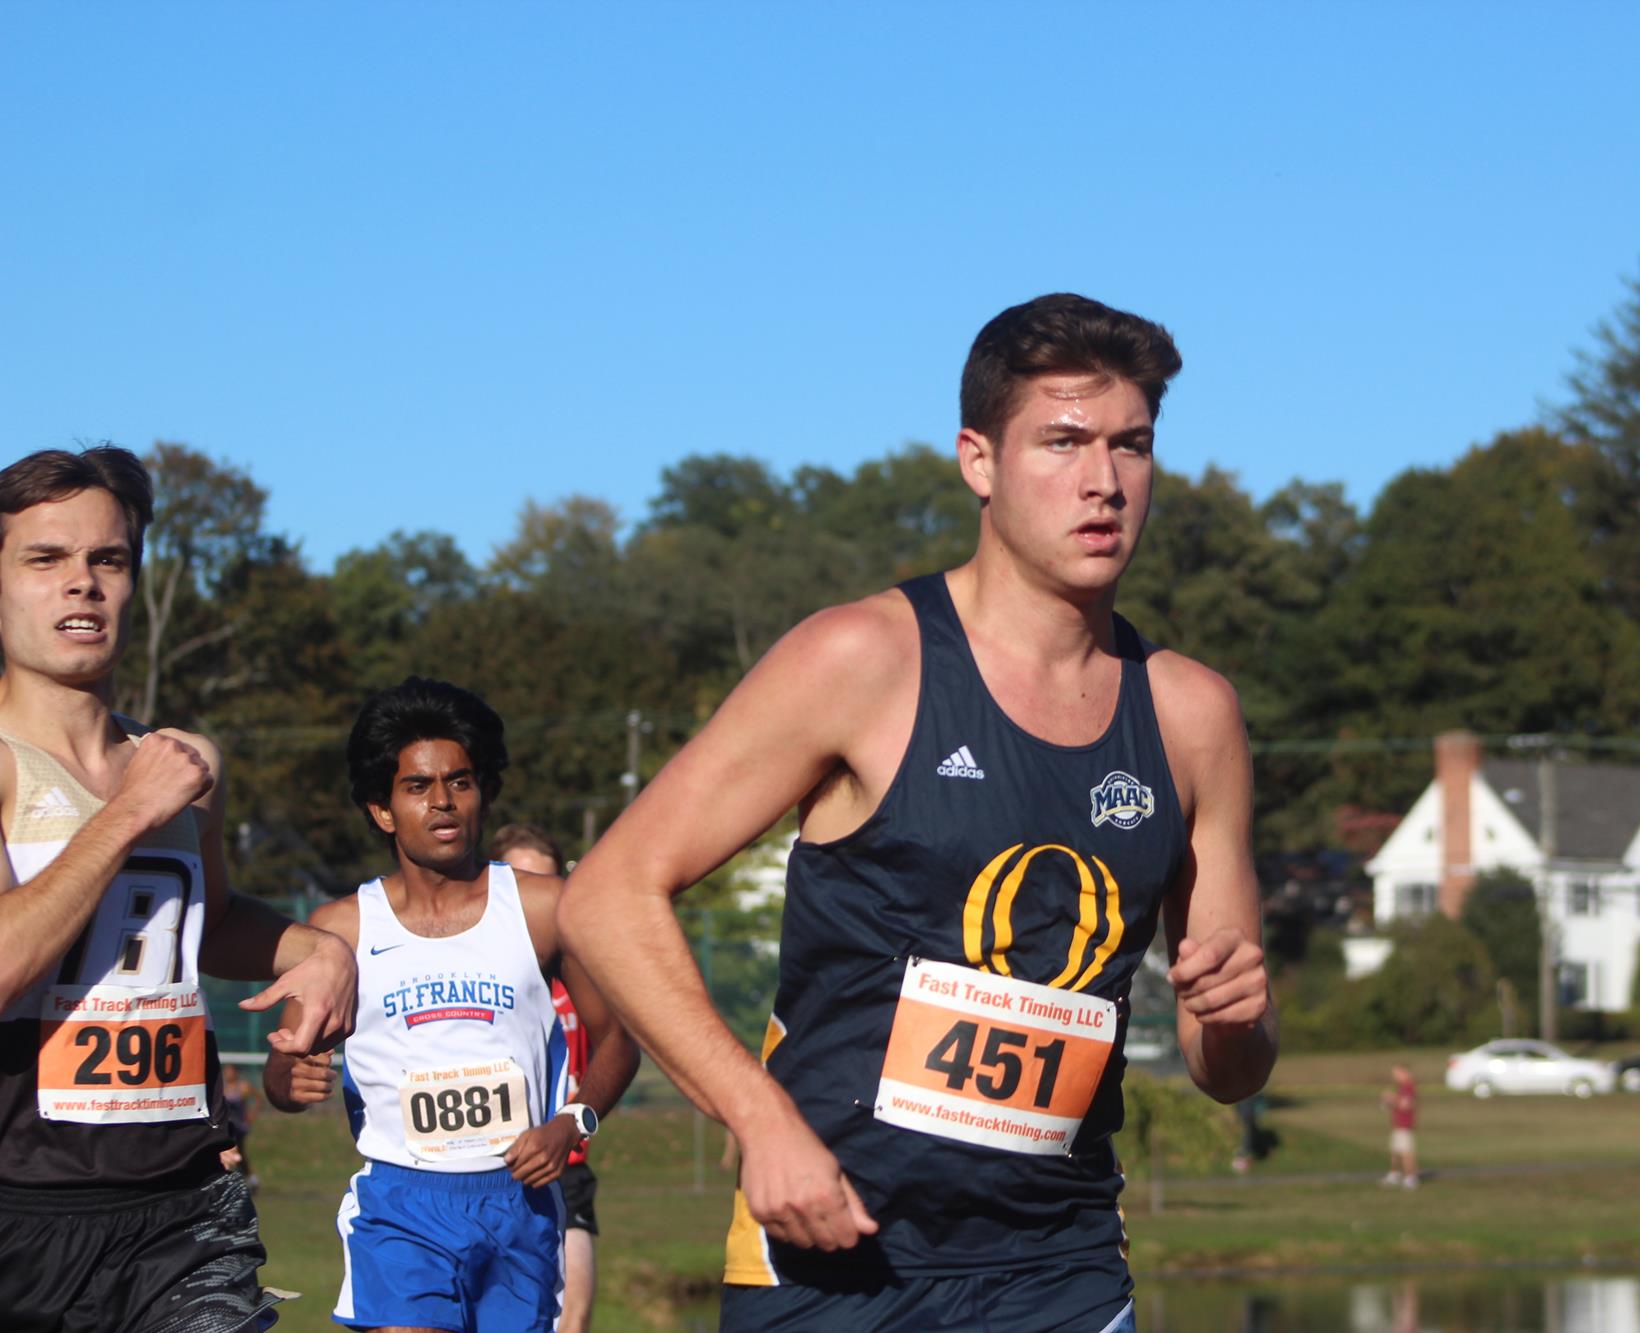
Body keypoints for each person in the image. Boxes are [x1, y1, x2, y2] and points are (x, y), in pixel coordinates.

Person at [560, 293, 1278, 1332]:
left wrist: (1238, 1017)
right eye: (1062, 442)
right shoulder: (861, 661)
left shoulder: (1191, 714)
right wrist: (759, 1121)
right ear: (977, 461)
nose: (1103, 482)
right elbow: (609, 895)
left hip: (1061, 1270)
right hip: (833, 1257)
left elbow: (1230, 1071)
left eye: (1131, 446)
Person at [0, 445, 357, 1332]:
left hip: (184, 1207)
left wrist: (317, 947)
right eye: (45, 559)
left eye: (106, 559)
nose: (81, 583)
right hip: (21, 1210)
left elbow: (212, 922)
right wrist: (124, 816)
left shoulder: (182, 762)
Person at [263, 678, 638, 1332]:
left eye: (461, 781)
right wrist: (286, 1079)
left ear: (484, 791)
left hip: (518, 1200)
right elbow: (285, 1067)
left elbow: (619, 1040)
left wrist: (573, 1123)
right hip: (401, 1202)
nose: (442, 801)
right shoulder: (340, 929)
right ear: (381, 809)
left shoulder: (545, 906)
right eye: (417, 786)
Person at [493, 821, 603, 1333]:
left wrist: (576, 1121)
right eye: (519, 881)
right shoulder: (474, 973)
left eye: (547, 882)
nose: (534, 896)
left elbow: (617, 1050)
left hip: (563, 1167)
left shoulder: (579, 968)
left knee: (569, 1322)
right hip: (479, 1169)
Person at [220, 1062, 259, 1190]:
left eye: (230, 1071)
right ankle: (246, 1180)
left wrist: (251, 1115)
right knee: (234, 1152)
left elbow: (258, 1098)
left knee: (236, 1151)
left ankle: (245, 1179)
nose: (227, 1074)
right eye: (226, 1071)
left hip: (239, 1126)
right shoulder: (222, 1088)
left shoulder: (242, 1087)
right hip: (227, 1126)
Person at [1381, 1063, 1419, 1189]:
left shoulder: (1408, 1088)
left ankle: (1411, 1178)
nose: (1395, 1077)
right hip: (1398, 1125)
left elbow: (1406, 1105)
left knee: (1406, 1152)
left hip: (1405, 1125)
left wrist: (1392, 1098)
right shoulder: (1402, 1088)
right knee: (1396, 1152)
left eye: (1398, 1074)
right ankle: (1394, 1174)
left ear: (1406, 1073)